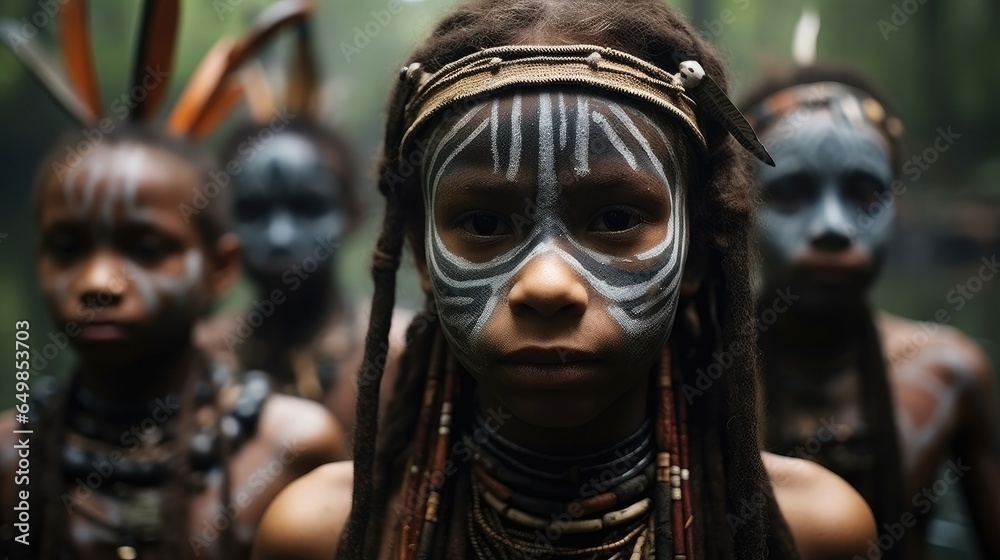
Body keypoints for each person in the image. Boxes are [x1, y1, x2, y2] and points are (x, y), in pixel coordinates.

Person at [253, 1, 878, 559]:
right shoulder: (318, 535)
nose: (547, 285)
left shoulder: (816, 533)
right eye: (483, 223)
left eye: (615, 219)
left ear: (694, 252)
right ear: (423, 256)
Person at [0, 2, 345, 558]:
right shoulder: (11, 458)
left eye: (146, 249)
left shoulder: (292, 449)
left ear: (220, 268)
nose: (98, 282)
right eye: (67, 249)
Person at [741, 65, 1000, 560]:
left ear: (895, 208)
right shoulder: (691, 374)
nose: (833, 227)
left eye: (864, 193)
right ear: (741, 208)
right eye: (790, 191)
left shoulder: (947, 373)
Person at [196, 19, 410, 434]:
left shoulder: (402, 354)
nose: (280, 236)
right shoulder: (196, 358)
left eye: (307, 207)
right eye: (254, 211)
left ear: (352, 214)